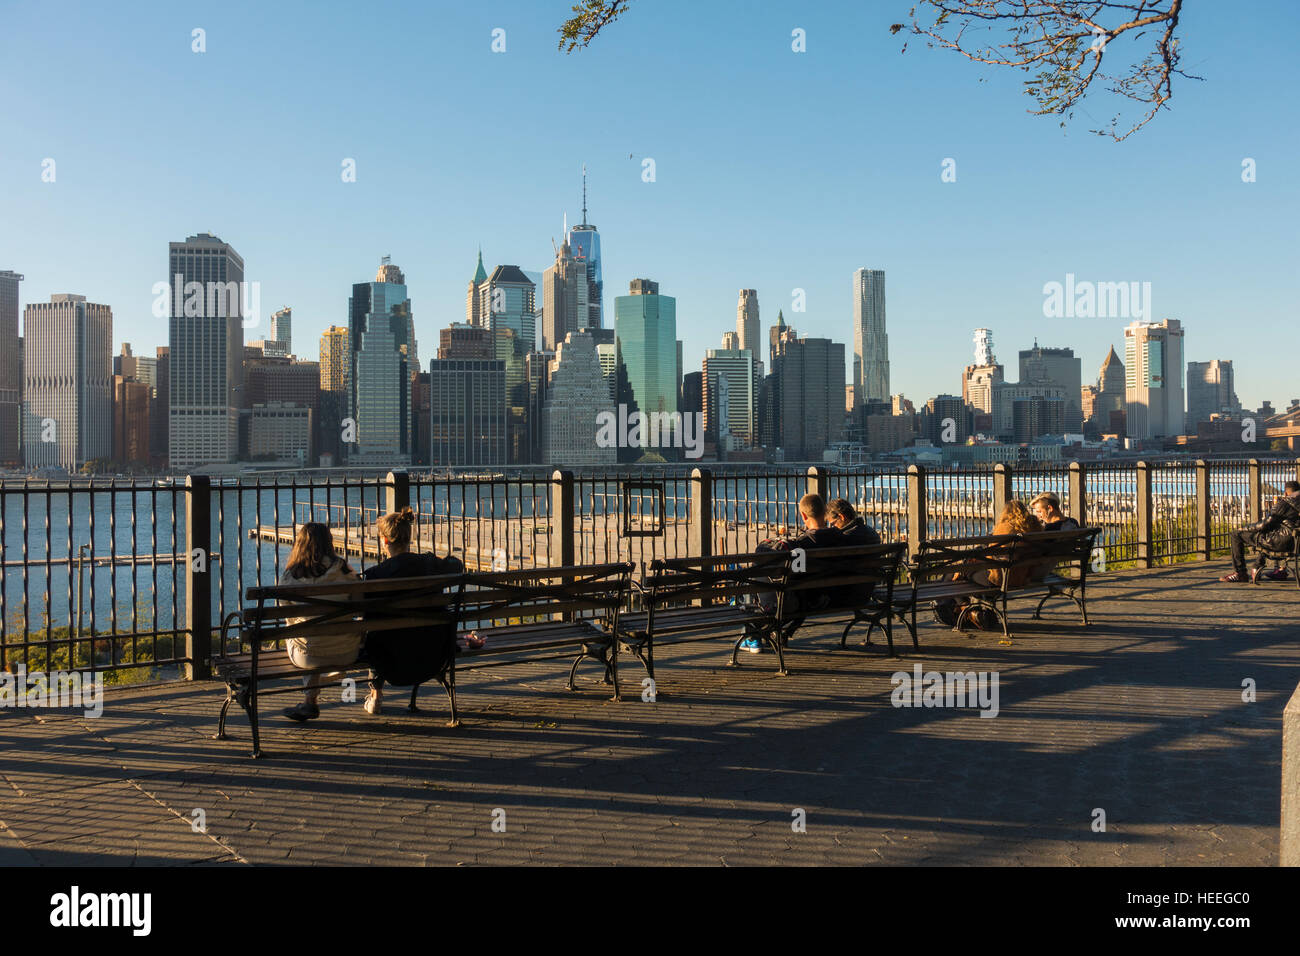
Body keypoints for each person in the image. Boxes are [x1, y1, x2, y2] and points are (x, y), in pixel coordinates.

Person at [360, 507, 464, 714]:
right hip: (434, 653)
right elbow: (457, 565)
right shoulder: (430, 564)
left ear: (385, 541)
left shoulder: (374, 575)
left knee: (374, 631)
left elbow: (367, 617)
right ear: (409, 538)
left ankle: (376, 695)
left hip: (389, 660)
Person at [279, 523, 364, 723]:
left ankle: (310, 701)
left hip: (306, 656)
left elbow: (285, 612)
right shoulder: (345, 571)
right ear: (329, 543)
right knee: (316, 635)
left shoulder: (291, 576)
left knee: (303, 635)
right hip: (346, 651)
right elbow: (360, 609)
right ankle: (313, 696)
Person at [740, 493, 842, 653]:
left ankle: (752, 638)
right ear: (825, 513)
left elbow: (794, 573)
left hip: (801, 602)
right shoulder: (841, 539)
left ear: (803, 515)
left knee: (756, 578)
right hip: (827, 597)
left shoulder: (802, 545)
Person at [1220, 480, 1300, 583]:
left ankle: (1240, 573)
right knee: (1268, 535)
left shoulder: (1284, 504)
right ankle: (1262, 566)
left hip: (1283, 543)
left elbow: (1264, 524)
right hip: (1296, 544)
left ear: (1285, 493)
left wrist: (1244, 528)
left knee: (1236, 535)